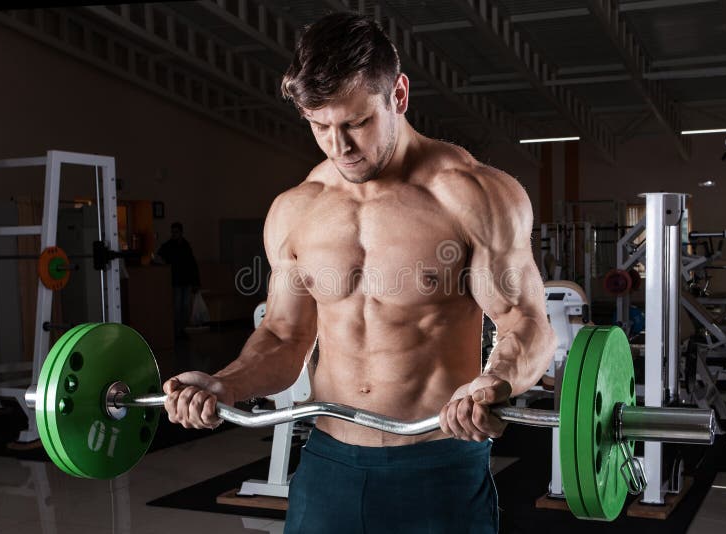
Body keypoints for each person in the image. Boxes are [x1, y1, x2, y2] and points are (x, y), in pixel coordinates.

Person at [163, 12, 555, 533]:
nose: (339, 146)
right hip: (329, 462)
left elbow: (525, 321)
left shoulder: (473, 195)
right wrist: (223, 385)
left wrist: (496, 380)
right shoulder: (297, 209)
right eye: (320, 126)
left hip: (438, 461)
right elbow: (284, 336)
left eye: (356, 122)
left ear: (398, 95)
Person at [156, 222, 200, 339]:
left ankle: (182, 330)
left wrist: (195, 282)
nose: (174, 234)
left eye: (176, 232)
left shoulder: (185, 246)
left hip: (184, 281)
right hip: (176, 281)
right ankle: (177, 331)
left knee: (185, 307)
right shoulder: (170, 246)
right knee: (177, 307)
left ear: (180, 232)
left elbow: (192, 264)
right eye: (173, 232)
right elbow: (158, 256)